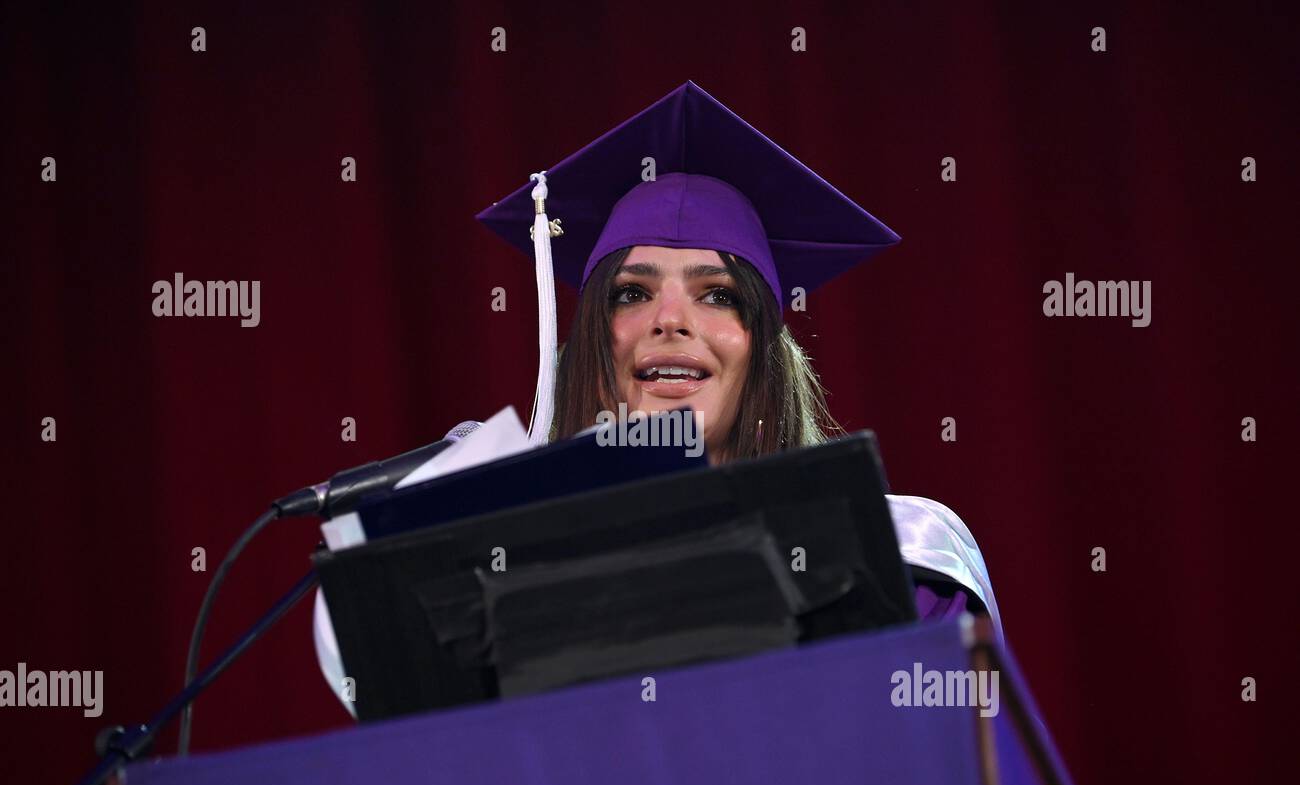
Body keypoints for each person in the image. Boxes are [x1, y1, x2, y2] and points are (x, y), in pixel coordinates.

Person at [314, 81, 1001, 716]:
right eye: (632, 293)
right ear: (591, 348)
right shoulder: (497, 568)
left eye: (718, 294)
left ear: (762, 357)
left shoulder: (901, 565)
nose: (669, 319)